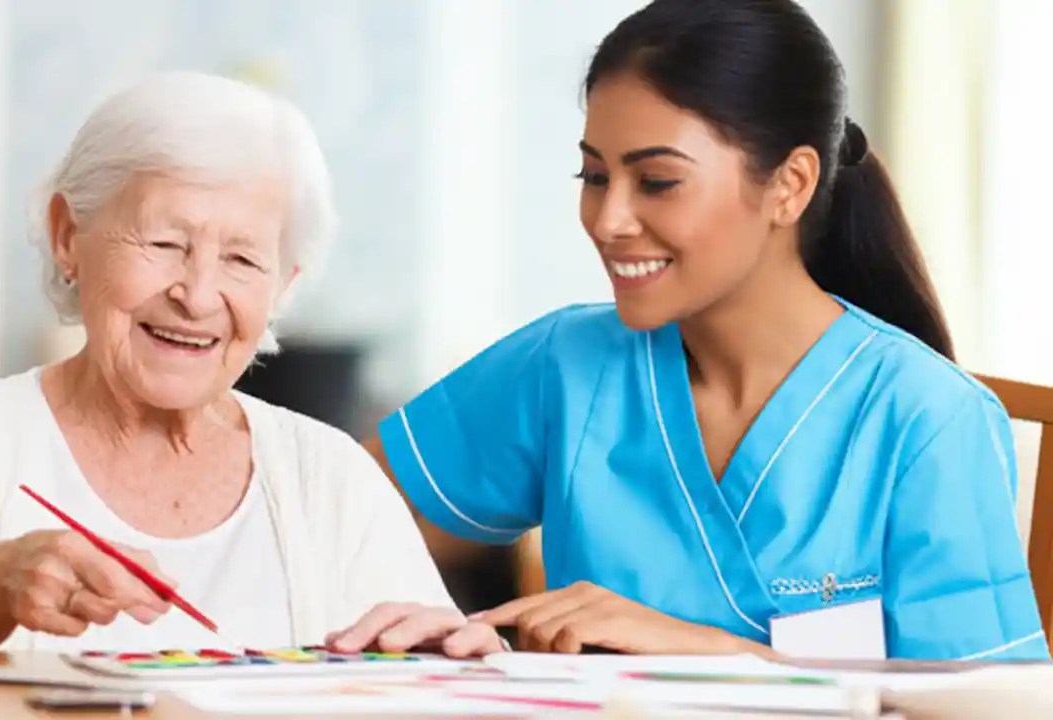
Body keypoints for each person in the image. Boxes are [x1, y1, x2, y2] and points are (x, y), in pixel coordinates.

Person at [330, 0, 1050, 661]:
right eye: (592, 176)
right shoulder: (565, 366)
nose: (608, 221)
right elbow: (328, 520)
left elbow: (989, 706)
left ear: (790, 186)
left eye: (658, 182)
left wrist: (710, 655)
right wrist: (428, 624)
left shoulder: (928, 419)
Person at [0, 72, 476, 719]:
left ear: (284, 284)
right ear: (69, 235)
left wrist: (458, 665)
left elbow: (448, 679)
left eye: (242, 260)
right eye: (164, 242)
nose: (197, 294)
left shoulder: (329, 475)